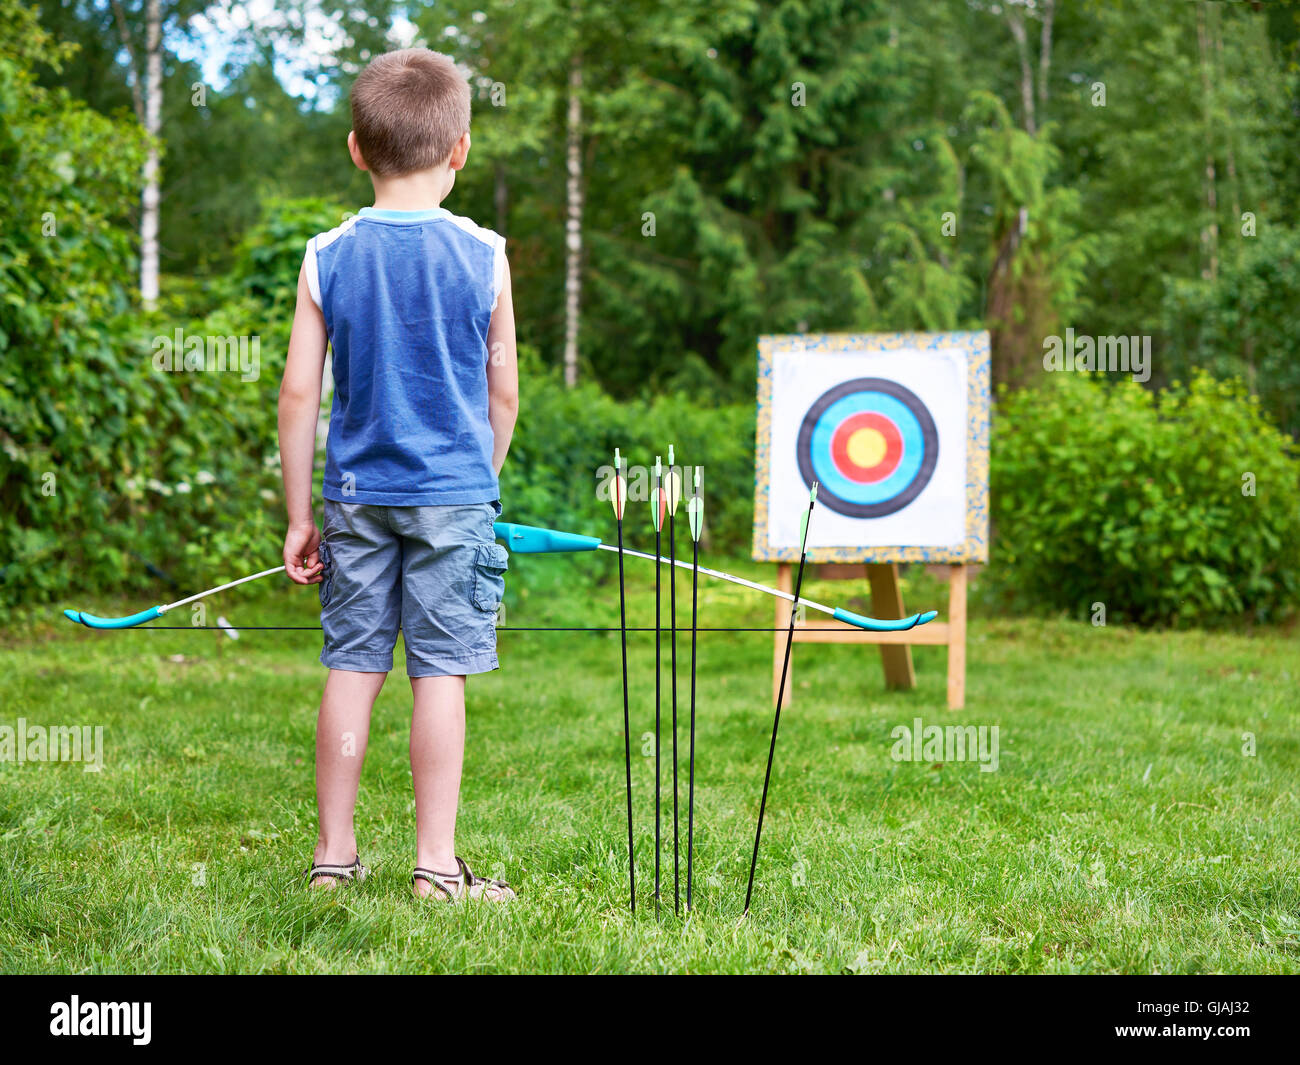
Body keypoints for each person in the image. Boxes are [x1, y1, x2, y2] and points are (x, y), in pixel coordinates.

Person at [276, 47, 518, 902]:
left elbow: (301, 393)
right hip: (454, 495)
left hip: (352, 498)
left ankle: (333, 859)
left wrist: (302, 514)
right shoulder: (485, 253)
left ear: (355, 148)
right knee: (438, 672)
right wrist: (476, 486)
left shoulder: (325, 252)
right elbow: (506, 391)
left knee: (352, 665)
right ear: (459, 151)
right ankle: (436, 868)